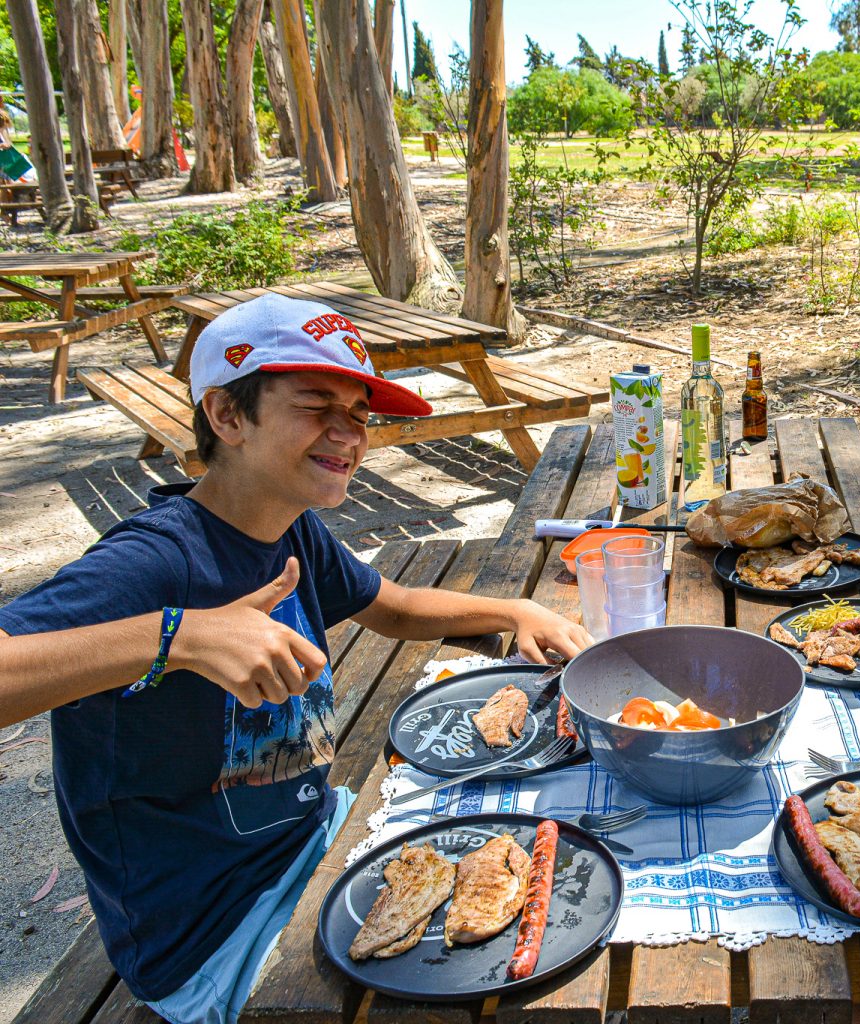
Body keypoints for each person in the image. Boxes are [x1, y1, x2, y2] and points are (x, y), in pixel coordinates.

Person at [0, 294, 591, 1024]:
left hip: (318, 835)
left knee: (546, 832)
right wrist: (178, 636)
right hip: (216, 937)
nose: (349, 434)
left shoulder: (291, 530)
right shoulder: (152, 562)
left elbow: (394, 606)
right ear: (226, 416)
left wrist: (514, 610)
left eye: (360, 414)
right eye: (318, 406)